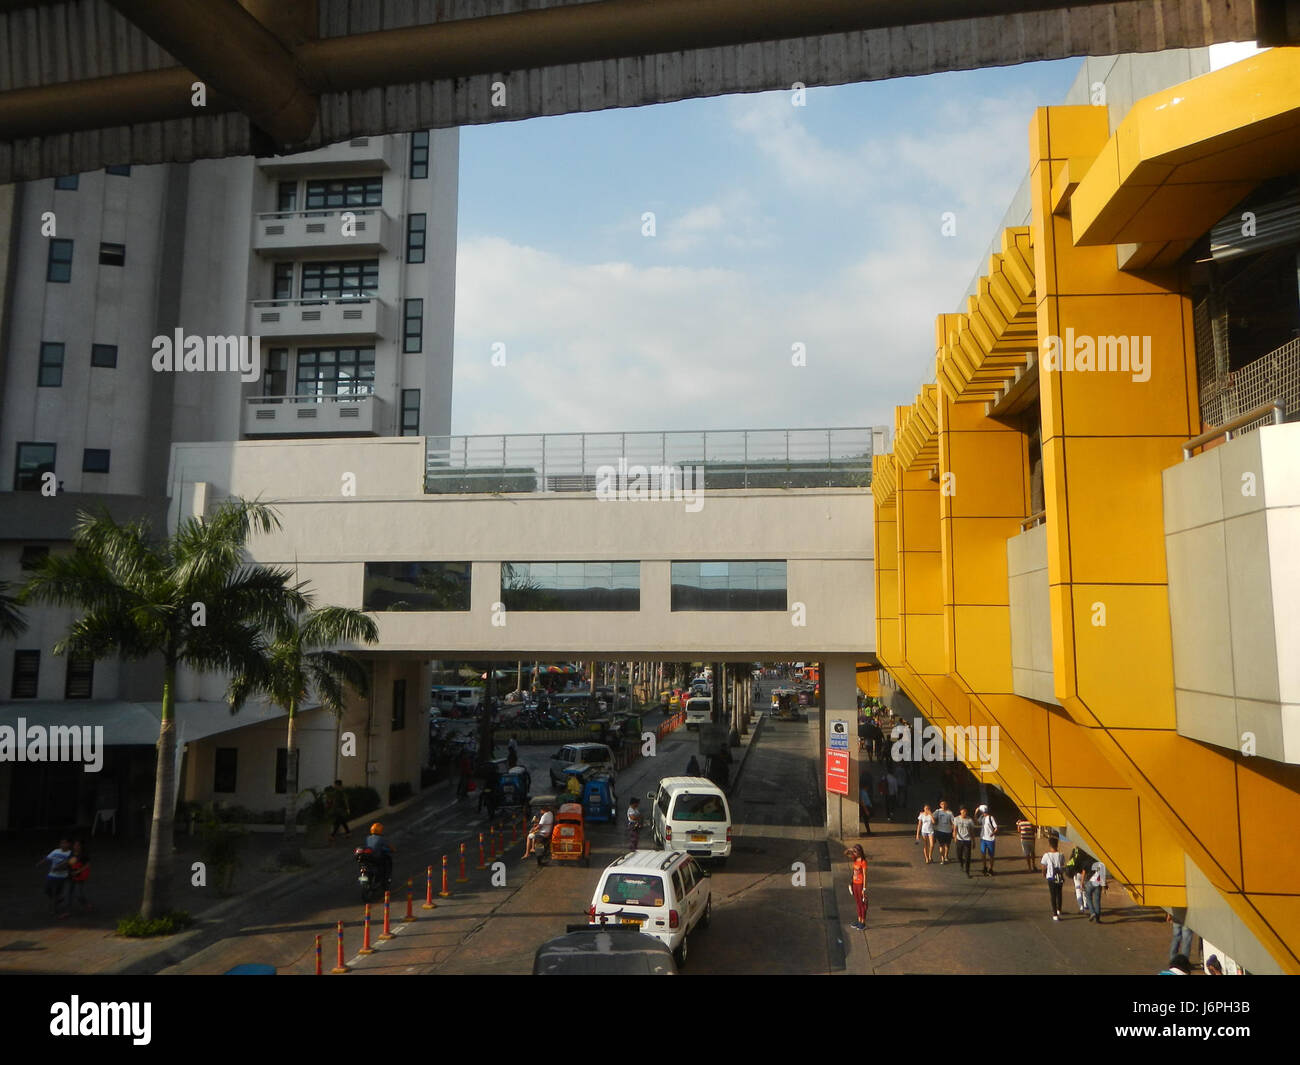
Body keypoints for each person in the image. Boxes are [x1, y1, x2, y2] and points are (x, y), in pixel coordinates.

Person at [38, 838, 72, 915]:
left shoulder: (70, 853)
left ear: (69, 844)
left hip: (62, 876)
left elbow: (68, 864)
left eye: (65, 843)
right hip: (52, 874)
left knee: (56, 892)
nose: (63, 845)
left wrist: (60, 868)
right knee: (47, 890)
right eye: (61, 843)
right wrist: (40, 863)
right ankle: (57, 900)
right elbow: (48, 858)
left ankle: (53, 909)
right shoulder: (56, 851)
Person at [1041, 835, 1064, 920]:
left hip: (1051, 877)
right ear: (1057, 845)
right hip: (1059, 877)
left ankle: (1055, 914)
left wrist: (1043, 873)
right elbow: (1062, 865)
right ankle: (1059, 909)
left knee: (1053, 895)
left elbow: (1043, 866)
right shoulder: (1061, 855)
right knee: (1059, 894)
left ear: (1050, 845)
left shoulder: (1046, 855)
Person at [845, 844, 868, 930]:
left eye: (855, 851)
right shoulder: (855, 858)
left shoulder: (863, 862)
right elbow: (846, 853)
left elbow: (865, 875)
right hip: (854, 883)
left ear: (860, 852)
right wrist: (851, 849)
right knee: (858, 903)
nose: (854, 853)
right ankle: (859, 920)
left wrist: (864, 888)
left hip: (860, 884)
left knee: (862, 904)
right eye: (854, 851)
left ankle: (863, 922)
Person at [65, 840, 92, 914]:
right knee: (68, 893)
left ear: (81, 846)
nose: (76, 847)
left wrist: (78, 871)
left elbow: (88, 865)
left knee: (79, 894)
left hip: (79, 876)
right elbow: (69, 863)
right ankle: (68, 910)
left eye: (78, 845)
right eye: (75, 845)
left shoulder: (83, 855)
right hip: (71, 875)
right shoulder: (71, 853)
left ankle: (86, 904)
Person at [953, 806, 975, 877]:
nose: (964, 813)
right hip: (959, 840)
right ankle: (961, 862)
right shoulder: (956, 819)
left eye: (965, 812)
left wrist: (973, 841)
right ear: (960, 812)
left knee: (968, 857)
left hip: (967, 840)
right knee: (959, 855)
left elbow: (972, 831)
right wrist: (955, 837)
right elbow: (955, 829)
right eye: (963, 812)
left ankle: (967, 871)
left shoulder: (969, 820)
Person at [977, 805, 998, 876]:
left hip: (990, 839)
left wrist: (993, 833)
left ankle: (991, 869)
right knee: (983, 854)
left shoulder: (991, 818)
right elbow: (976, 822)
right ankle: (984, 867)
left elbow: (996, 828)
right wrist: (975, 813)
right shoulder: (981, 817)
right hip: (983, 838)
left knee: (991, 855)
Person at [1086, 857, 1107, 922]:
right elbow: (1102, 877)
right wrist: (1104, 888)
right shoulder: (1102, 865)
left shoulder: (1090, 861)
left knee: (1088, 898)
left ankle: (1092, 912)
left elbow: (1084, 871)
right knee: (1097, 902)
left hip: (1090, 882)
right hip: (1098, 884)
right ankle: (1098, 919)